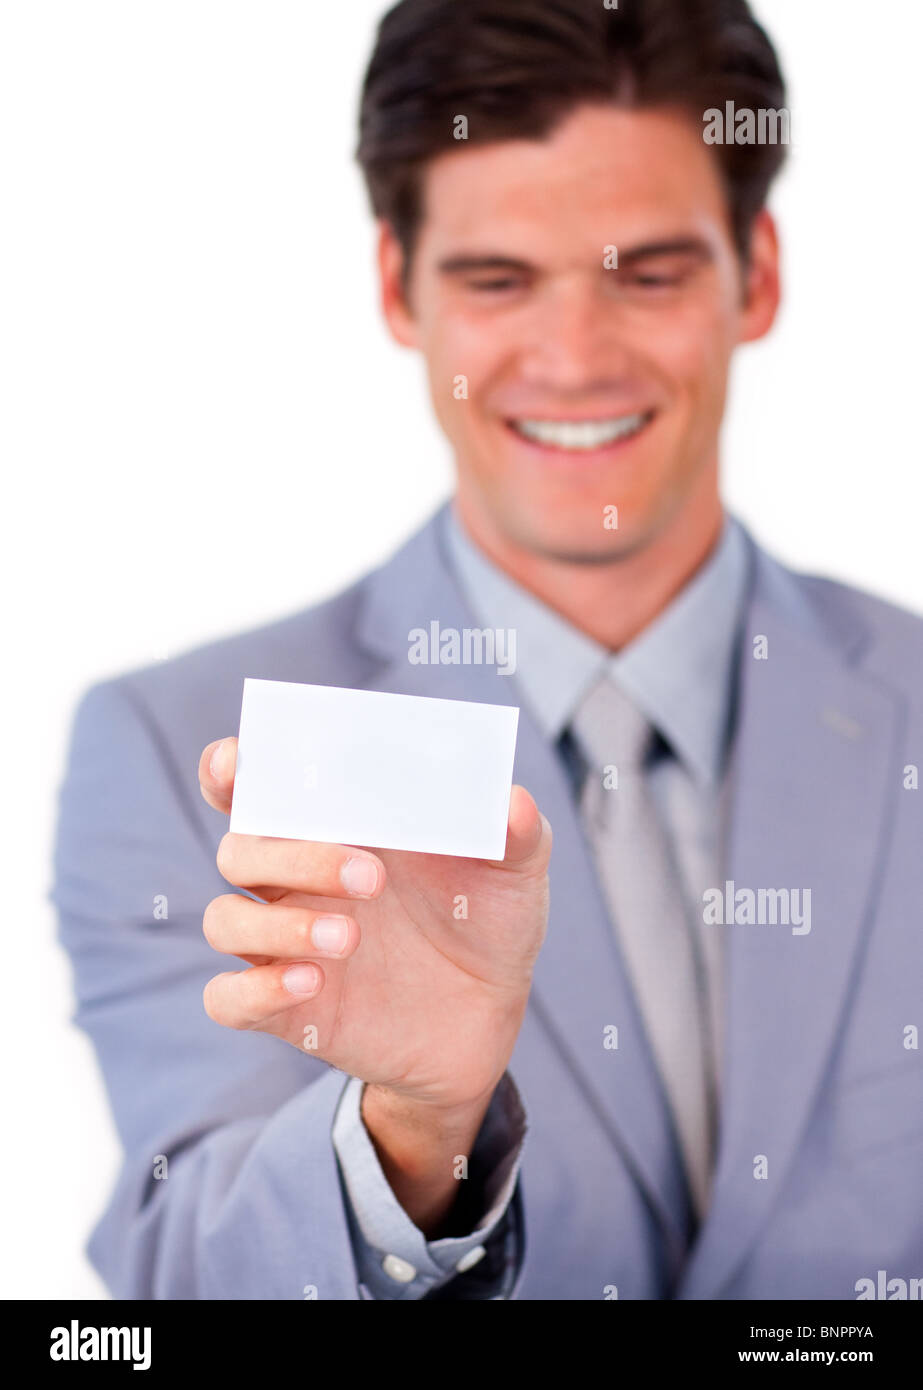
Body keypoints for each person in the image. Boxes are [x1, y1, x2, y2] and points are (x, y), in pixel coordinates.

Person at [53, 0, 923, 1300]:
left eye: (651, 271)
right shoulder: (186, 748)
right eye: (497, 279)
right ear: (400, 289)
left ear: (763, 274)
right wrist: (414, 1129)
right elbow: (187, 1275)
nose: (574, 357)